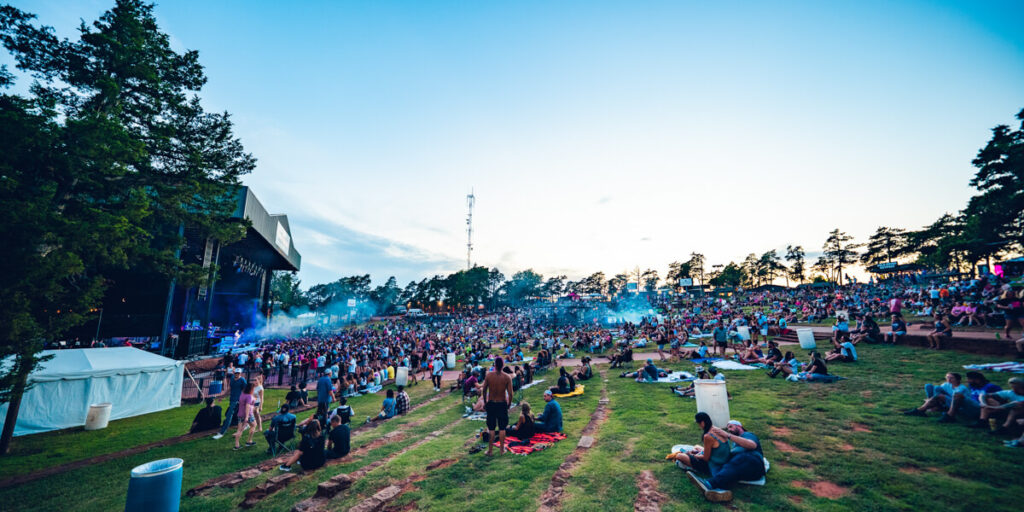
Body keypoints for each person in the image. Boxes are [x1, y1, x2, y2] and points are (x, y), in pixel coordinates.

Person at [687, 420, 765, 502]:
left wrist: (727, 435)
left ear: (739, 426)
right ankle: (721, 492)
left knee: (741, 458)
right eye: (728, 429)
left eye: (731, 426)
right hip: (748, 472)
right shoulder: (735, 445)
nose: (729, 430)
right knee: (728, 466)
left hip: (754, 463)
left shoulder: (747, 434)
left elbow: (752, 445)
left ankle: (709, 483)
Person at [666, 412, 731, 477]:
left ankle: (694, 469)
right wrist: (699, 452)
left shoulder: (708, 436)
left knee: (679, 456)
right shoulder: (717, 429)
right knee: (697, 447)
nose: (699, 426)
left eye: (698, 424)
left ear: (702, 423)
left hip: (713, 465)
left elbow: (706, 458)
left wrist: (693, 455)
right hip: (722, 460)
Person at [481, 356, 514, 456]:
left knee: (491, 428)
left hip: (491, 403)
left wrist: (485, 401)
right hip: (501, 403)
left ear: (494, 365)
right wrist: (509, 404)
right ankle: (501, 450)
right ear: (503, 365)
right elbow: (511, 393)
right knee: (502, 428)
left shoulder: (489, 376)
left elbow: (484, 389)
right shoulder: (507, 377)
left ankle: (490, 451)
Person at [904, 372, 968, 419]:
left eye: (951, 378)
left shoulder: (961, 388)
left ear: (958, 380)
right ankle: (932, 405)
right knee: (929, 386)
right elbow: (937, 391)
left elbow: (957, 399)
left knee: (938, 390)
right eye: (947, 377)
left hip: (956, 404)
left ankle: (927, 407)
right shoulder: (946, 384)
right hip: (944, 400)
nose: (949, 379)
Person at [213, 368, 246, 439]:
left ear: (240, 373)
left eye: (238, 373)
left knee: (229, 415)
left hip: (237, 401)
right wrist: (222, 396)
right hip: (232, 400)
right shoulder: (232, 379)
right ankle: (247, 424)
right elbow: (229, 389)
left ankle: (222, 432)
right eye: (236, 373)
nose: (237, 374)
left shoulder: (242, 380)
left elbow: (245, 390)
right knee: (239, 414)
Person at [233, 382, 258, 450]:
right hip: (248, 414)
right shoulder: (249, 396)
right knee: (254, 425)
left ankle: (237, 445)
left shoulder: (242, 394)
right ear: (251, 389)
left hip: (240, 414)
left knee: (239, 430)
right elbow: (247, 406)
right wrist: (247, 417)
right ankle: (249, 441)